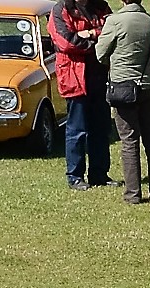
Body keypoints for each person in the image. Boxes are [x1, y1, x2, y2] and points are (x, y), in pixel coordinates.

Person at [96, 0, 150, 203]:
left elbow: (100, 54)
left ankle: (133, 193)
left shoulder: (115, 21)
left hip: (124, 87)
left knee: (129, 141)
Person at [49, 0, 113, 191]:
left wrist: (91, 33)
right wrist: (96, 44)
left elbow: (112, 32)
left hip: (99, 77)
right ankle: (75, 176)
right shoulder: (61, 10)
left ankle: (99, 174)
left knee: (101, 128)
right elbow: (65, 42)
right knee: (77, 130)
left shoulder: (101, 6)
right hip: (75, 79)